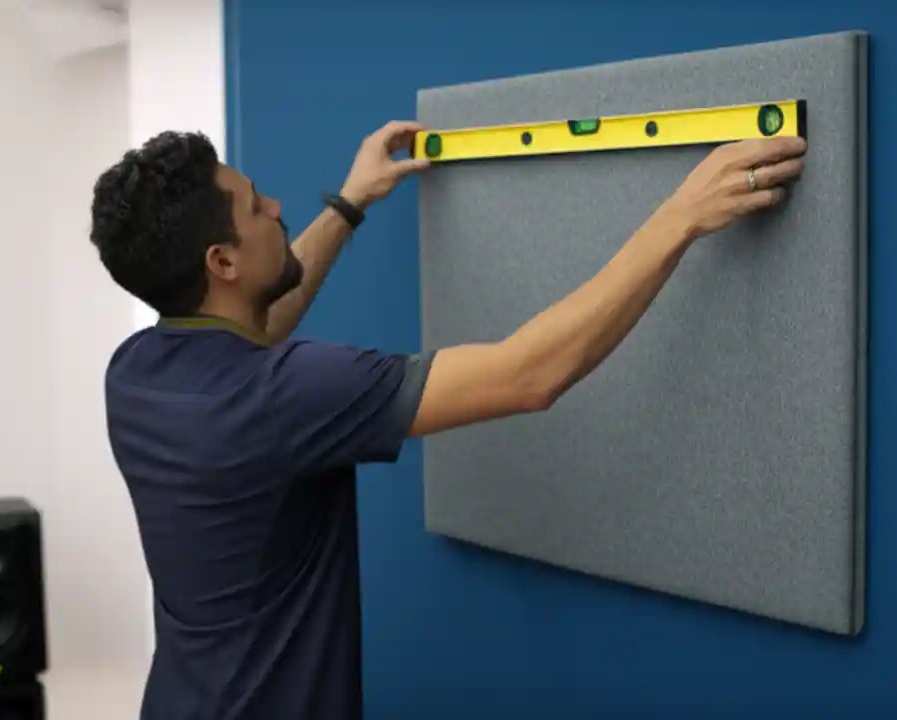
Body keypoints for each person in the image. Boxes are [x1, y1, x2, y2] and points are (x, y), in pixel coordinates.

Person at [88, 121, 806, 720]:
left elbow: (255, 321)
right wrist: (681, 215)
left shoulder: (136, 375)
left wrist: (348, 204)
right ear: (222, 260)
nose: (275, 205)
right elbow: (529, 374)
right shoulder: (289, 394)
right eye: (254, 206)